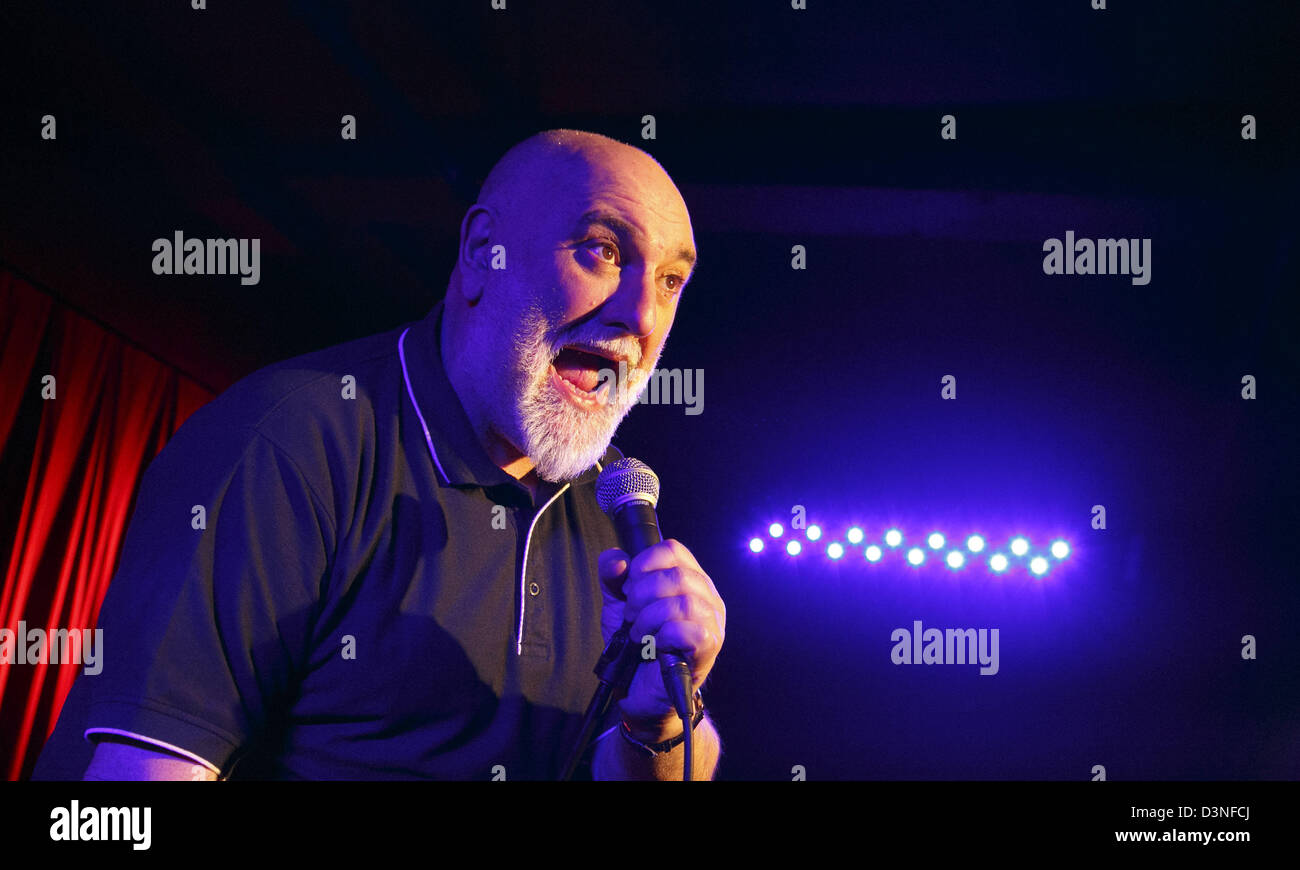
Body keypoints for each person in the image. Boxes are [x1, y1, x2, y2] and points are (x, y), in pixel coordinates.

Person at [32, 129, 724, 780]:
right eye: (604, 250)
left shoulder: (617, 503)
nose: (643, 316)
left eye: (670, 281)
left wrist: (661, 714)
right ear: (486, 251)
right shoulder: (289, 440)